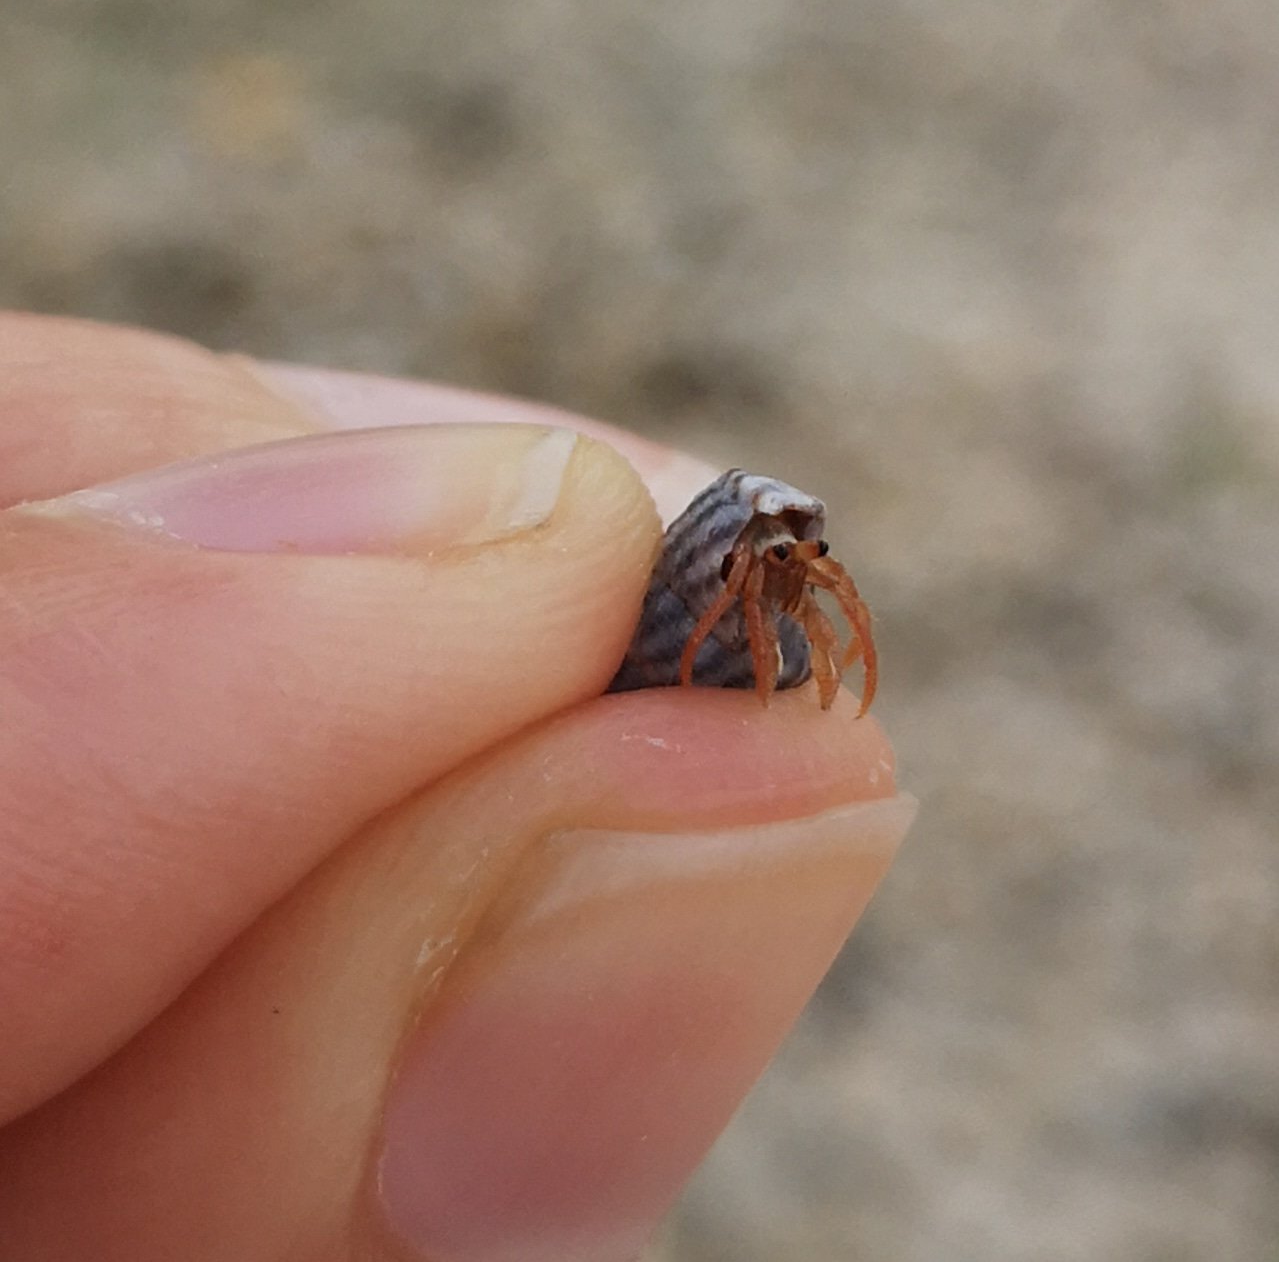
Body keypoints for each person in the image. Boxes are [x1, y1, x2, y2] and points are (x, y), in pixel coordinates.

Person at [0, 312, 914, 1262]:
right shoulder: (725, 578)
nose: (796, 562)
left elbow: (813, 601)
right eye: (779, 551)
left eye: (795, 551)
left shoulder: (787, 569)